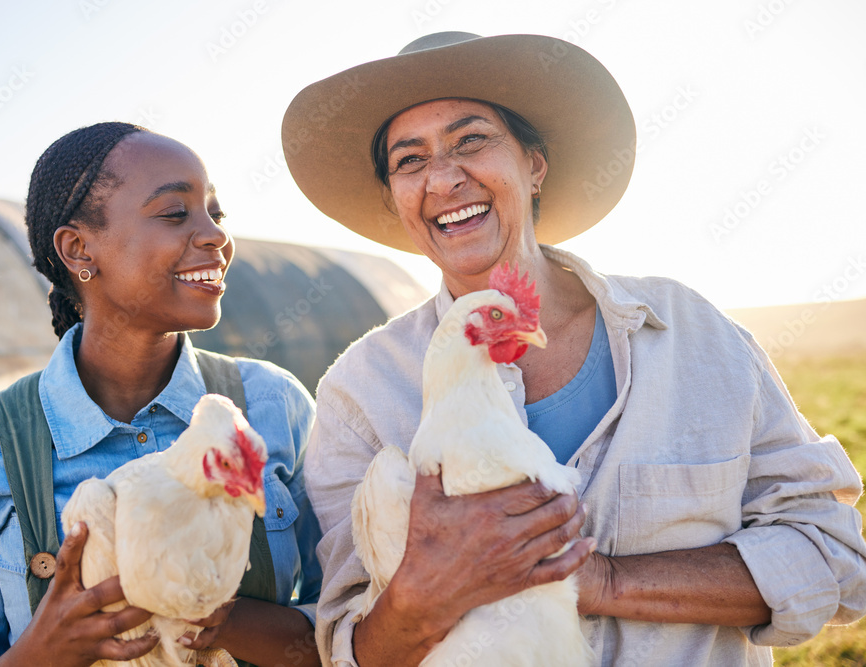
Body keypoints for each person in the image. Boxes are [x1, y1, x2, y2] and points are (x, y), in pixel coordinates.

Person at [281, 32, 866, 666]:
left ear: (535, 166)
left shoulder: (692, 334)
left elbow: (832, 555)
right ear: (396, 198)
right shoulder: (361, 392)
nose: (444, 178)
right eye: (410, 160)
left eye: (471, 141)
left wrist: (601, 581)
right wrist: (421, 596)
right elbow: (346, 649)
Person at [0, 122, 322, 666]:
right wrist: (42, 652)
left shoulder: (276, 406)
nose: (215, 237)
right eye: (175, 213)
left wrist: (220, 618)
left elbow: (353, 637)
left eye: (215, 214)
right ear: (79, 248)